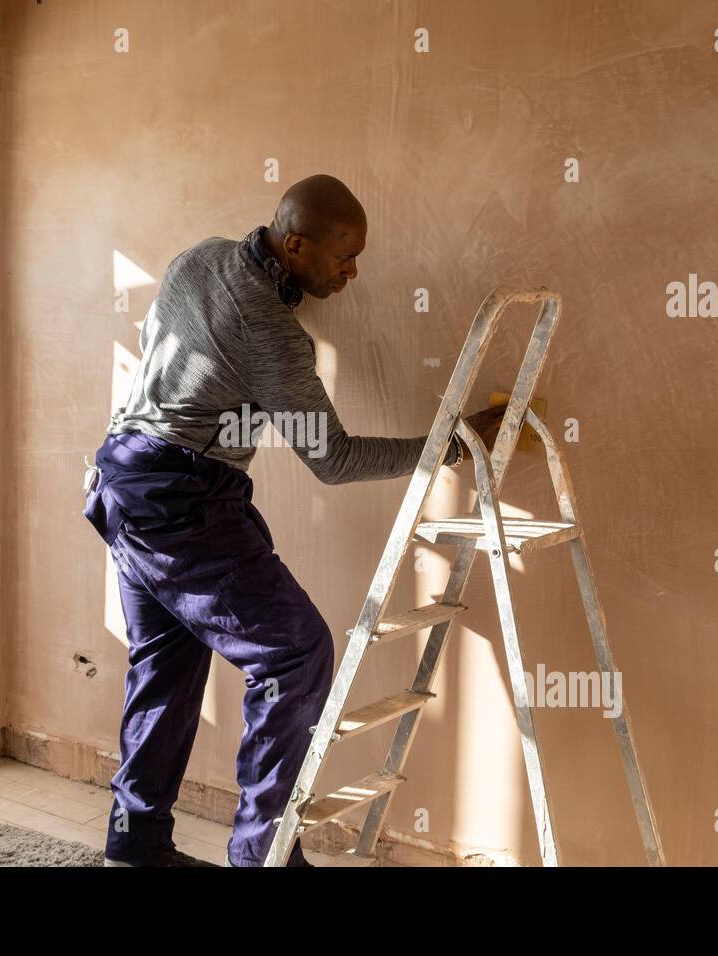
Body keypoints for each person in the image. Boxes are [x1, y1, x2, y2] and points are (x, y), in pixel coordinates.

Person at [84, 174, 502, 867]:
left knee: (166, 665)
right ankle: (262, 855)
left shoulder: (198, 258)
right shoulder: (273, 334)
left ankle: (135, 845)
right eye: (342, 258)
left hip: (124, 480)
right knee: (294, 648)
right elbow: (333, 460)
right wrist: (450, 442)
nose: (352, 272)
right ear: (295, 244)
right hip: (179, 498)